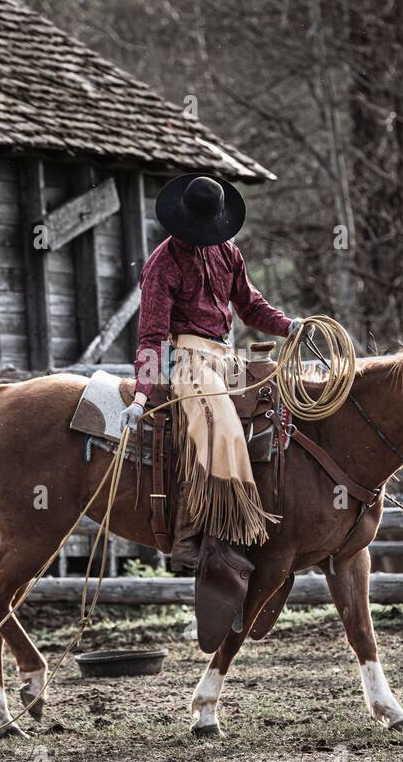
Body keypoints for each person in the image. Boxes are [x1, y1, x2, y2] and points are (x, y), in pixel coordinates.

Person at [121, 173, 300, 651]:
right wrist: (141, 394)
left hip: (225, 355)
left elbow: (249, 304)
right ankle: (208, 532)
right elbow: (152, 335)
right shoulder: (163, 264)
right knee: (220, 428)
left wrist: (288, 325)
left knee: (282, 410)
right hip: (185, 357)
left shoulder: (227, 252)